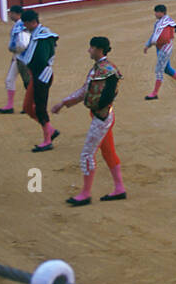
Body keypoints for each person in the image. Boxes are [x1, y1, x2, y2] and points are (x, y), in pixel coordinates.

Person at [52, 36, 126, 206]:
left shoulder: (106, 70)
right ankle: (119, 188)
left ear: (99, 49)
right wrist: (63, 103)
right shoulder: (103, 68)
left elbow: (108, 94)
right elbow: (86, 90)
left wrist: (65, 103)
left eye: (91, 48)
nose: (88, 51)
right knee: (108, 152)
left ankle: (85, 194)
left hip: (102, 117)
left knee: (86, 154)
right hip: (104, 115)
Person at [19, 9, 60, 151]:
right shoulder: (39, 33)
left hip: (42, 76)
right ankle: (51, 130)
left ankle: (47, 140)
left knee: (40, 107)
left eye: (26, 24)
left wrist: (34, 70)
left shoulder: (42, 36)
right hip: (37, 75)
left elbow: (42, 59)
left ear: (31, 22)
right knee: (27, 107)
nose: (25, 27)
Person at [143, 4, 176, 100]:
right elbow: (162, 34)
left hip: (164, 48)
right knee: (166, 68)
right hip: (164, 47)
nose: (155, 14)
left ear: (162, 13)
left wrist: (149, 44)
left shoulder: (163, 23)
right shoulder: (166, 21)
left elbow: (162, 37)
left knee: (159, 70)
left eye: (156, 12)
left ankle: (155, 93)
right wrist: (148, 45)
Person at [0, 4, 31, 112]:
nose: (10, 15)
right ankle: (10, 106)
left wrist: (17, 52)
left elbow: (23, 43)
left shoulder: (21, 25)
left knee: (28, 82)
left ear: (18, 14)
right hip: (18, 56)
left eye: (11, 13)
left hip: (24, 57)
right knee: (10, 79)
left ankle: (31, 105)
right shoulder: (20, 24)